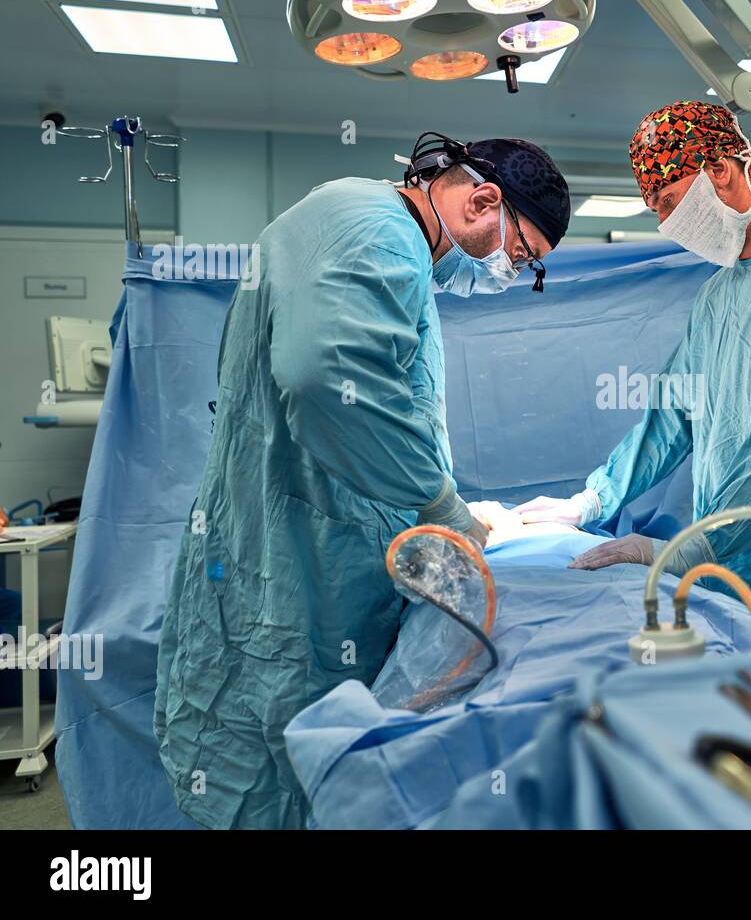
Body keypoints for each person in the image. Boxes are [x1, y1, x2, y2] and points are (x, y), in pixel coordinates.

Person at [154, 132, 571, 829]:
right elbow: (327, 382)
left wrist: (440, 502)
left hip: (309, 558)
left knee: (298, 764)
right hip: (296, 575)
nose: (509, 268)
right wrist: (439, 501)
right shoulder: (373, 230)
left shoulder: (379, 234)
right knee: (285, 773)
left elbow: (376, 395)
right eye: (520, 253)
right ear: (484, 199)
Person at [515, 100, 751, 639]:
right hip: (737, 562)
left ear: (719, 170)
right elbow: (672, 414)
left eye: (670, 201)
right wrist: (592, 500)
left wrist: (690, 546)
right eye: (656, 210)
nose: (668, 223)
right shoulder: (720, 292)